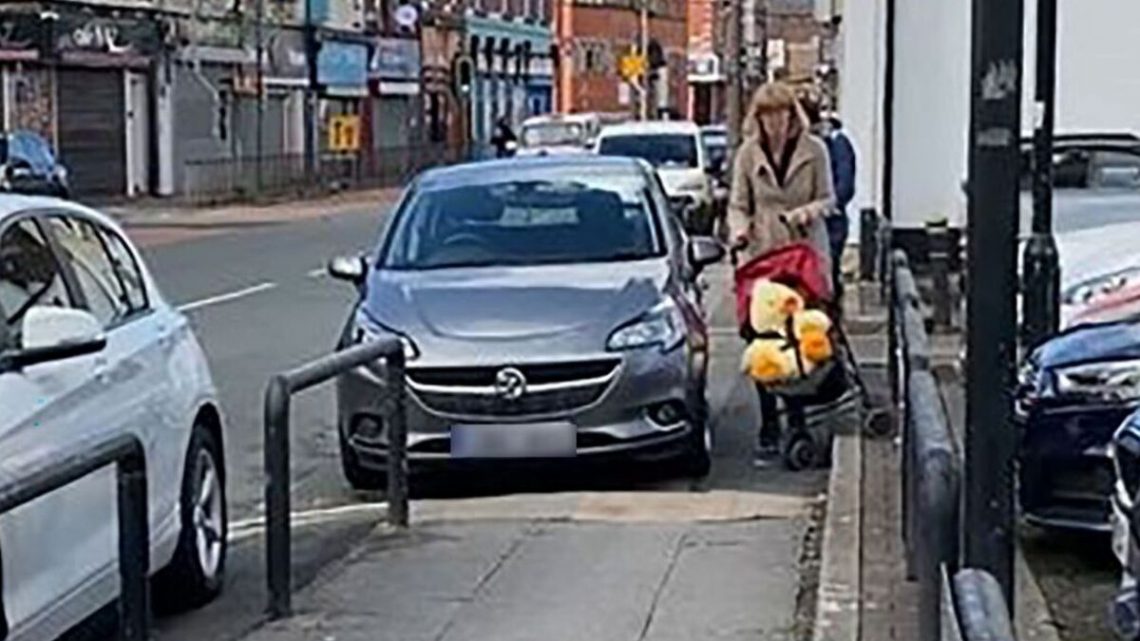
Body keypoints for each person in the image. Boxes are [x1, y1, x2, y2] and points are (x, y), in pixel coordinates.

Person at [727, 82, 836, 462]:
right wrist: (739, 231)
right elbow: (738, 203)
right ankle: (769, 421)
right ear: (757, 118)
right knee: (763, 339)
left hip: (802, 252)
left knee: (800, 335)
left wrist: (806, 212)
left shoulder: (815, 151)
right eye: (767, 115)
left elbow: (829, 197)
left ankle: (799, 419)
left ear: (792, 115)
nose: (775, 122)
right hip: (762, 254)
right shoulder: (747, 153)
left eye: (782, 114)